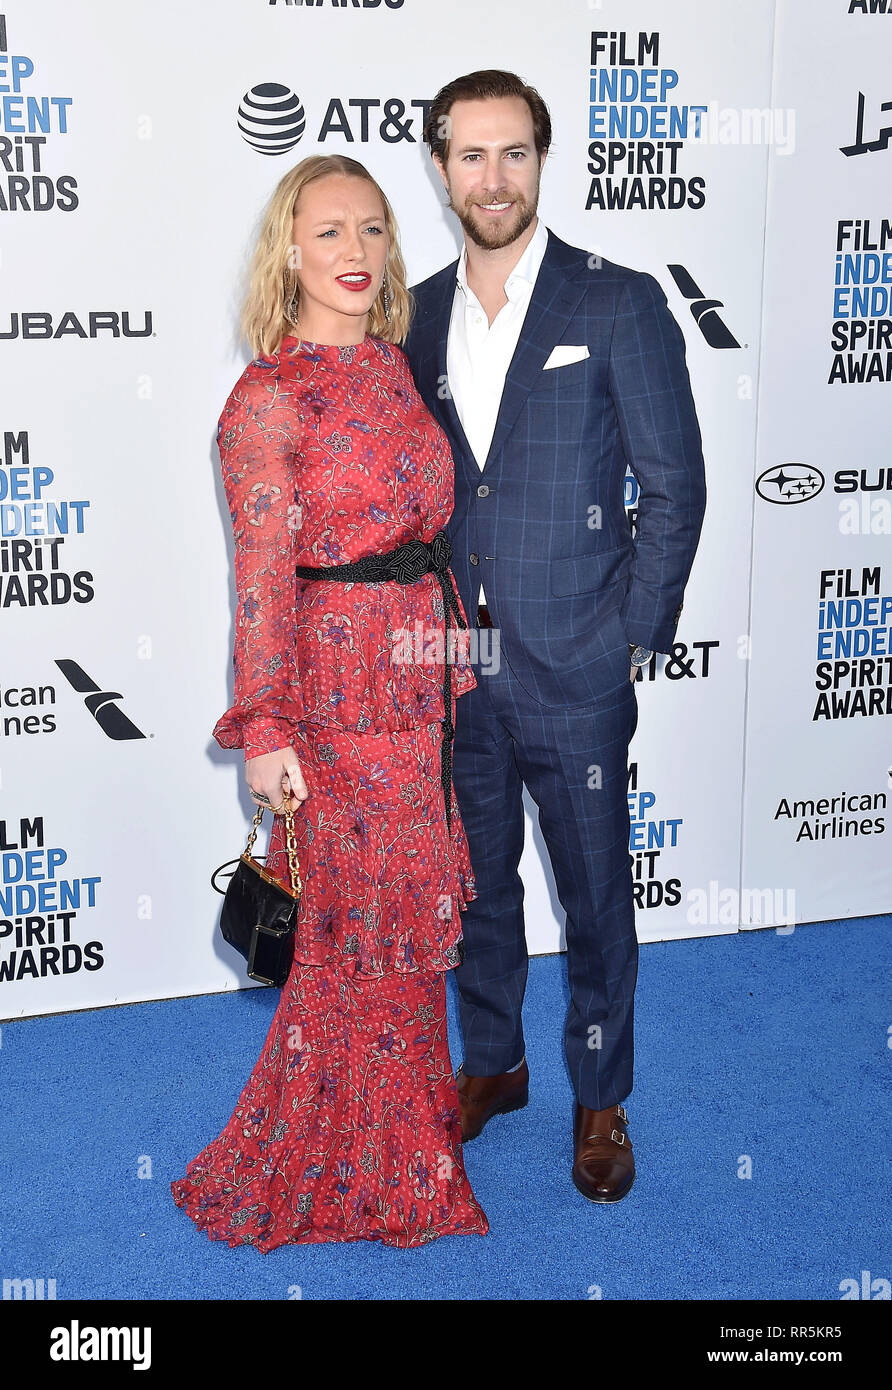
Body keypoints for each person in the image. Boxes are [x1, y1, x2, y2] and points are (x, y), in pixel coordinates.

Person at [170, 153, 488, 1250]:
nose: (354, 254)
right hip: (331, 696)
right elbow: (259, 576)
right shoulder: (266, 398)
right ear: (288, 255)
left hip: (416, 687)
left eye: (370, 230)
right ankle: (334, 1159)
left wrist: (461, 658)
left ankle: (407, 1151)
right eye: (327, 234)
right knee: (351, 927)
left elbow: (422, 541)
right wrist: (264, 726)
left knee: (410, 924)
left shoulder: (396, 369)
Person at [403, 71, 707, 1204]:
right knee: (474, 886)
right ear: (440, 169)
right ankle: (495, 1064)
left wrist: (629, 635)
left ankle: (599, 1095)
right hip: (453, 668)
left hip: (576, 665)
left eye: (514, 153)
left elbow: (674, 488)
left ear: (542, 160)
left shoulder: (616, 301)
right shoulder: (416, 312)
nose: (494, 177)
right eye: (471, 155)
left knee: (592, 894)